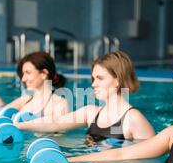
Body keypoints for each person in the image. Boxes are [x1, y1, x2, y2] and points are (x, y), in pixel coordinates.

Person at [15, 51, 155, 142]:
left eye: (100, 78)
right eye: (93, 78)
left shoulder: (134, 119)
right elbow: (56, 122)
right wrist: (19, 126)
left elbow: (148, 162)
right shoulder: (91, 113)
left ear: (118, 80)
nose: (93, 84)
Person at [0, 51, 68, 122]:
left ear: (44, 73)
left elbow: (59, 138)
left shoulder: (59, 104)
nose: (23, 79)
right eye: (23, 74)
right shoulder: (26, 99)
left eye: (28, 73)